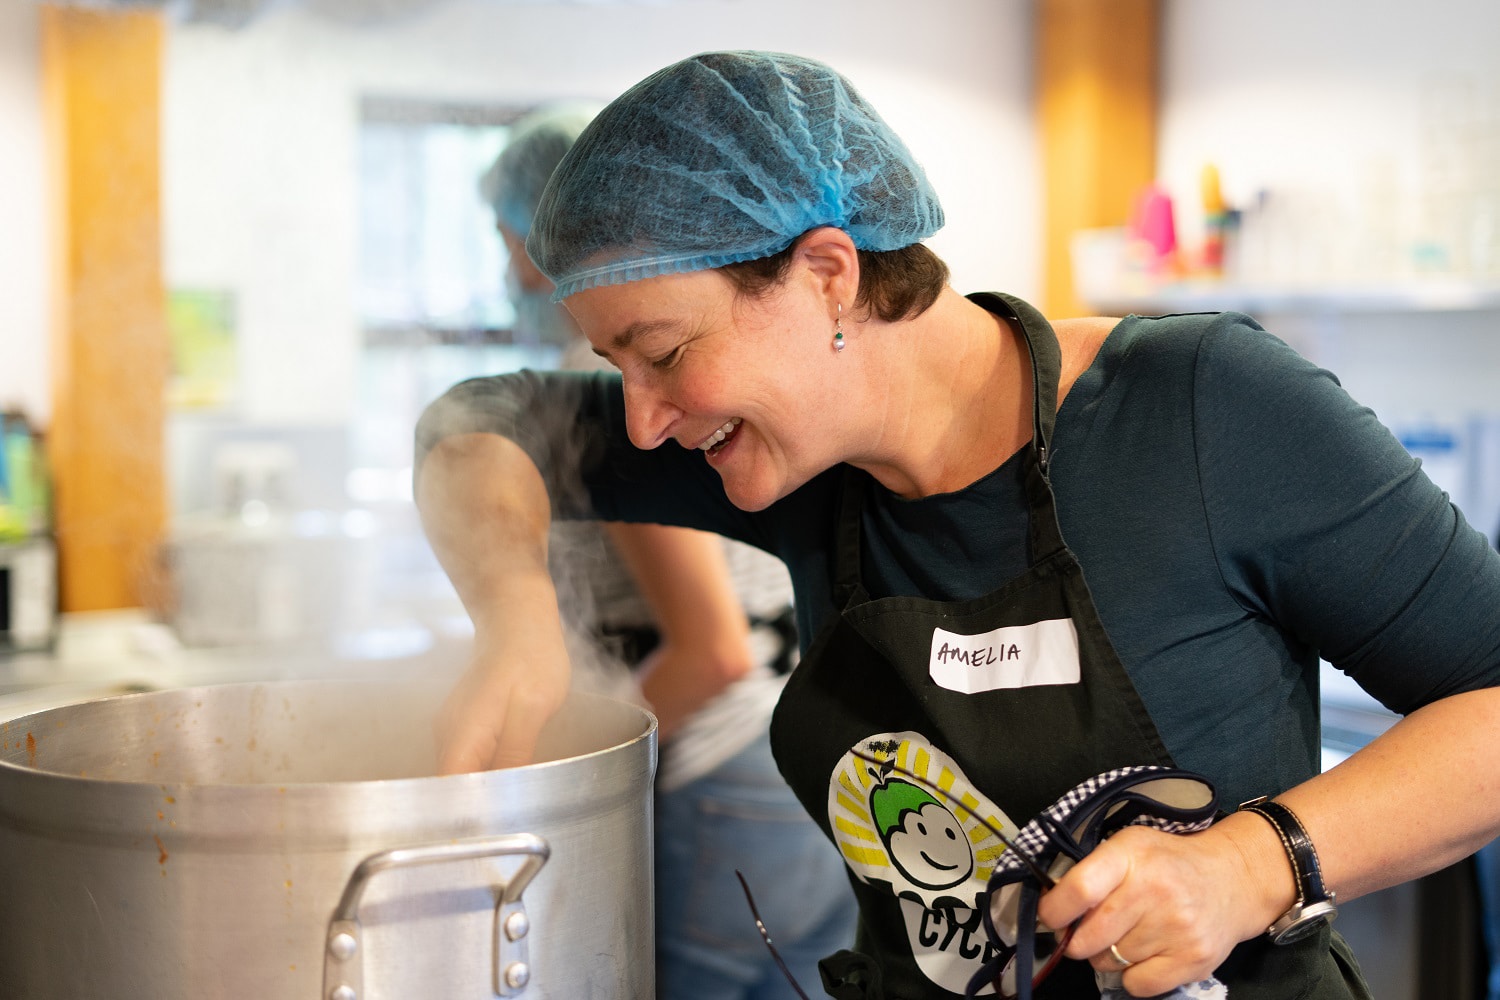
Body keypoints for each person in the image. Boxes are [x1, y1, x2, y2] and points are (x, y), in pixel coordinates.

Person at [416, 51, 1500, 999]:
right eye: (618, 369)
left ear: (828, 274)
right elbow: (480, 423)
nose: (645, 422)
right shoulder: (798, 462)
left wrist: (1255, 863)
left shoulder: (1198, 408)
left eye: (662, 353)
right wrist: (516, 612)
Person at [467, 103, 857, 1000]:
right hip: (788, 769)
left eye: (508, 238)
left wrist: (570, 771)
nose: (506, 268)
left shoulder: (615, 394)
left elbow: (709, 650)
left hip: (720, 784)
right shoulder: (677, 371)